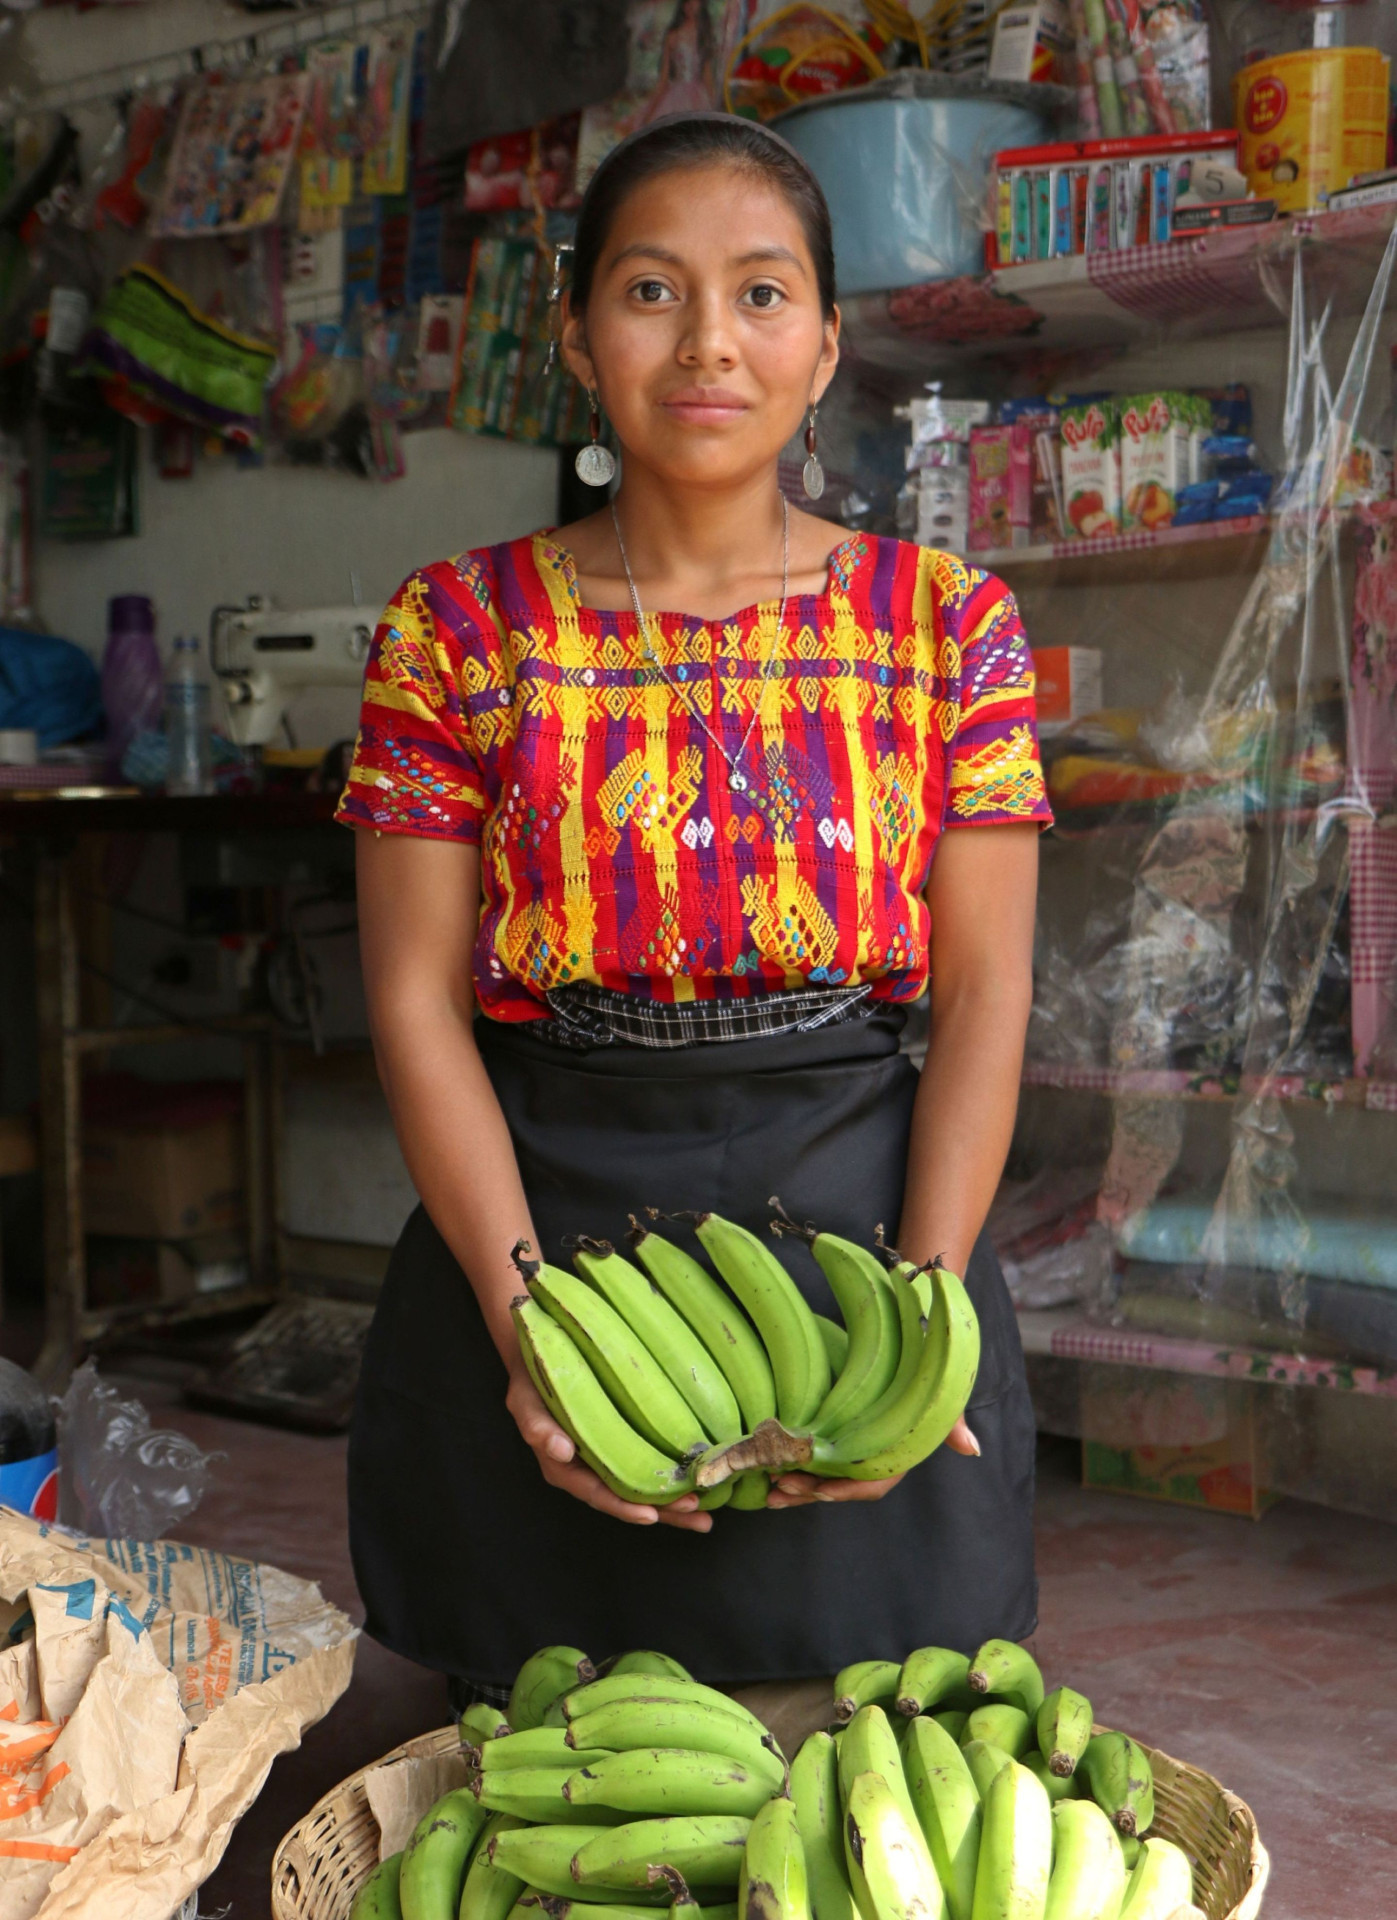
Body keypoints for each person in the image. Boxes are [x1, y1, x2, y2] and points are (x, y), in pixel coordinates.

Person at [337, 113, 1051, 1699]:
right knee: (544, 1752)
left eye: (761, 293)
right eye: (652, 293)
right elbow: (409, 999)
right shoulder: (453, 630)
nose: (708, 342)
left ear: (825, 345)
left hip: (863, 1217)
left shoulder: (949, 627)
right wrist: (532, 1334)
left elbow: (988, 993)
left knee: (873, 1734)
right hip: (547, 1223)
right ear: (580, 339)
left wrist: (915, 1328)